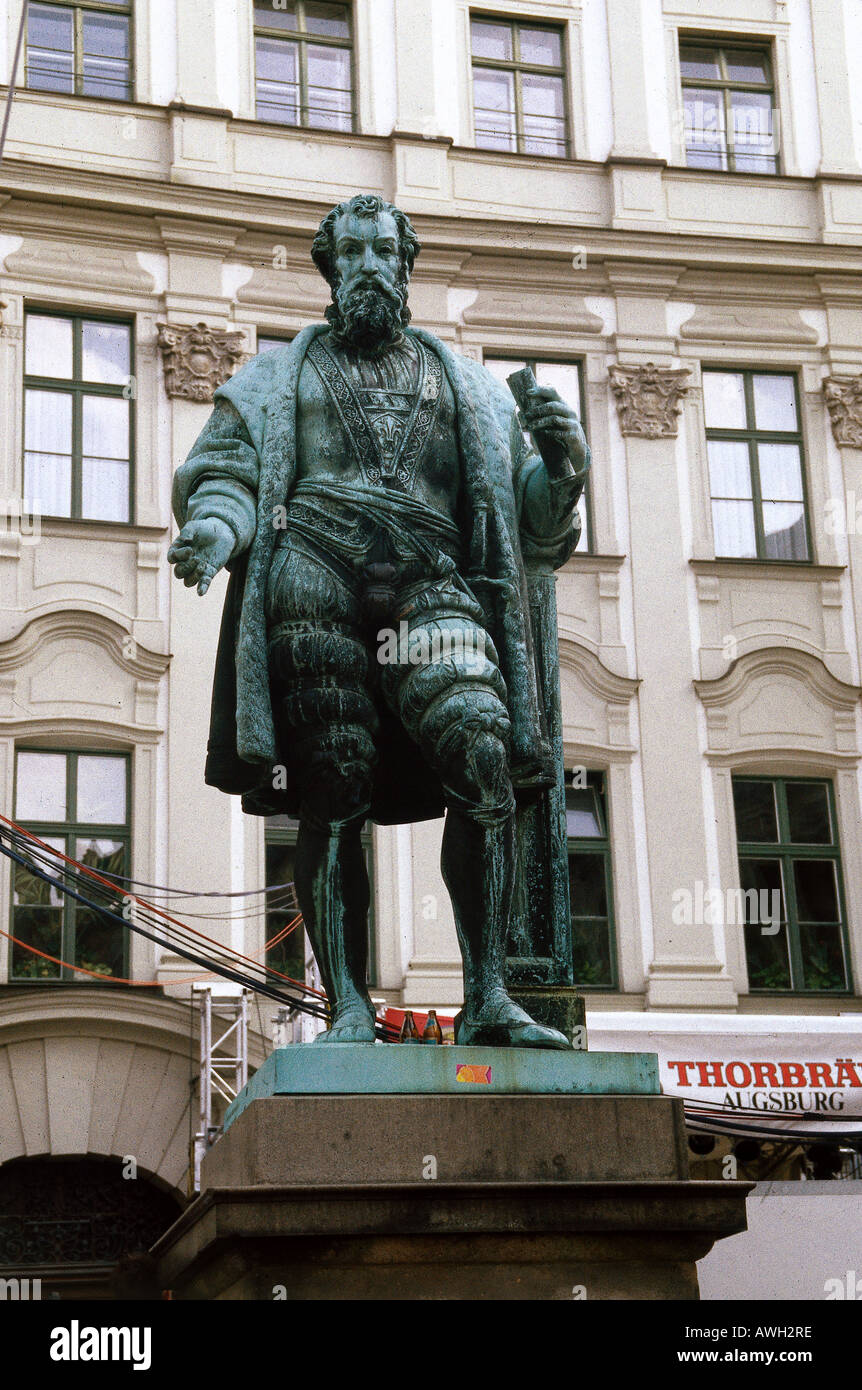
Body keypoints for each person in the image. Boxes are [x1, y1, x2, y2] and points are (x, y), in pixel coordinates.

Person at [169, 194, 589, 1049]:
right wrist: (216, 528)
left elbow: (530, 530)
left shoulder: (467, 386)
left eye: (381, 252)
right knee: (335, 787)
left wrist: (564, 468)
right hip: (313, 569)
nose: (367, 265)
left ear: (405, 266)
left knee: (483, 752)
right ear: (330, 269)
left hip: (431, 578)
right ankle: (350, 1005)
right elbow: (229, 472)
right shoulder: (277, 375)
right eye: (351, 252)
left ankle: (487, 998)